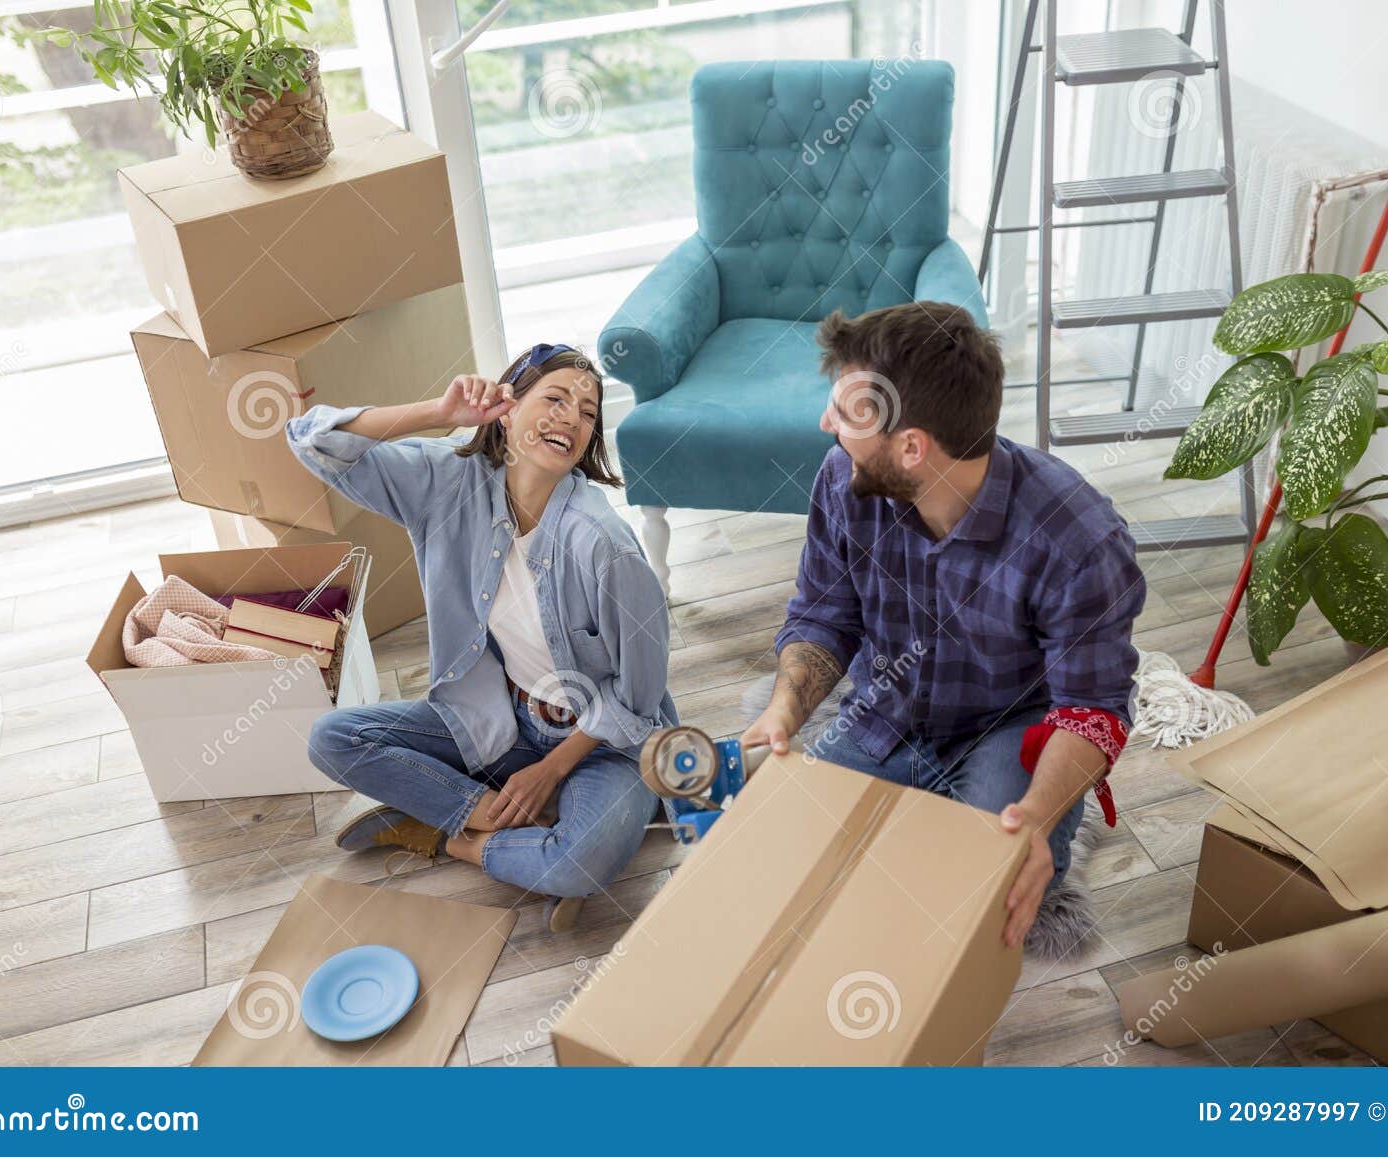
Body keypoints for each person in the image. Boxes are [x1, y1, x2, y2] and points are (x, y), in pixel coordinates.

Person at [741, 302, 1146, 950]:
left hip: (1010, 728)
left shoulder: (1078, 539)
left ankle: (1048, 820)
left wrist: (1037, 817)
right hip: (888, 711)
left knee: (984, 896)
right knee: (793, 858)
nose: (826, 424)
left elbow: (1092, 709)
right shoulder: (843, 479)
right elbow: (824, 611)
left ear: (910, 447)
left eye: (845, 414)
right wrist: (786, 709)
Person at [292, 343, 673, 931]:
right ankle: (491, 813)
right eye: (555, 398)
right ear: (507, 407)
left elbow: (641, 697)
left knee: (578, 862)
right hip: (503, 721)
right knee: (331, 738)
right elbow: (316, 441)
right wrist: (438, 412)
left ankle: (456, 839)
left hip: (603, 744)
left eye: (588, 412)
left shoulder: (603, 544)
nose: (572, 417)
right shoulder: (452, 485)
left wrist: (550, 770)